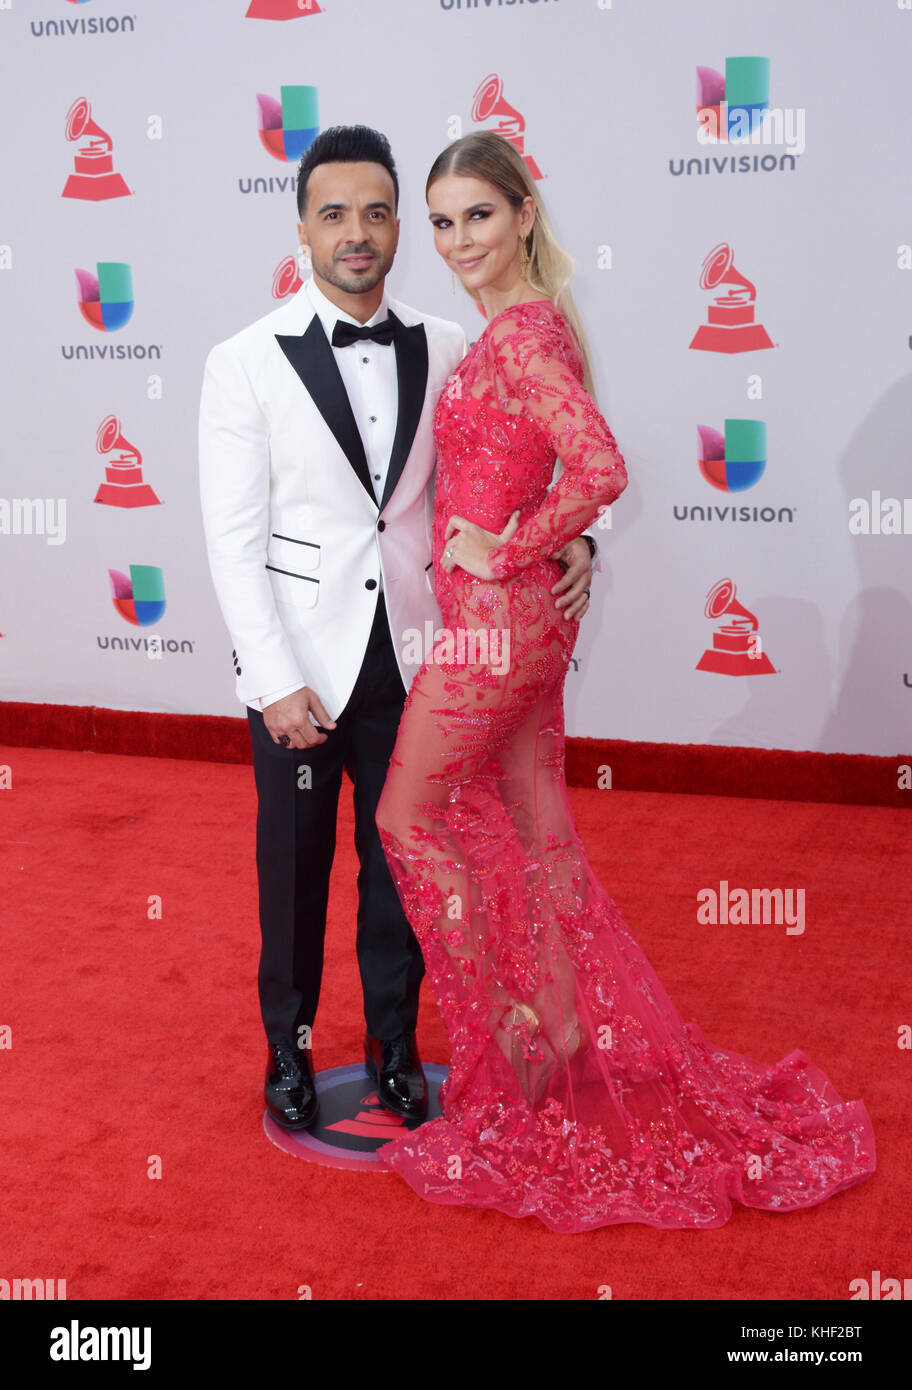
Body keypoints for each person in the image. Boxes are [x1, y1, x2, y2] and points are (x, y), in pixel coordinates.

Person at [374, 131, 877, 1231]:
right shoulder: (540, 326)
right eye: (445, 220)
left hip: (498, 628)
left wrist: (505, 549)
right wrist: (555, 547)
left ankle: (512, 1028)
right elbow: (570, 472)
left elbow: (598, 465)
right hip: (522, 631)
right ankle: (557, 1026)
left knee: (406, 812)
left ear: (523, 215)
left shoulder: (518, 341)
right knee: (538, 824)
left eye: (480, 216)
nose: (461, 240)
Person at [197, 126, 595, 1133]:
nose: (359, 233)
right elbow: (233, 540)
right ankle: (285, 1055)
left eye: (378, 212)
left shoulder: (449, 341)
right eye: (335, 214)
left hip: (420, 655)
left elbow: (511, 477)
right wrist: (271, 675)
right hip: (301, 664)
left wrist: (570, 552)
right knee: (291, 873)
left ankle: (393, 1050)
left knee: (403, 870)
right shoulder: (243, 361)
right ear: (302, 230)